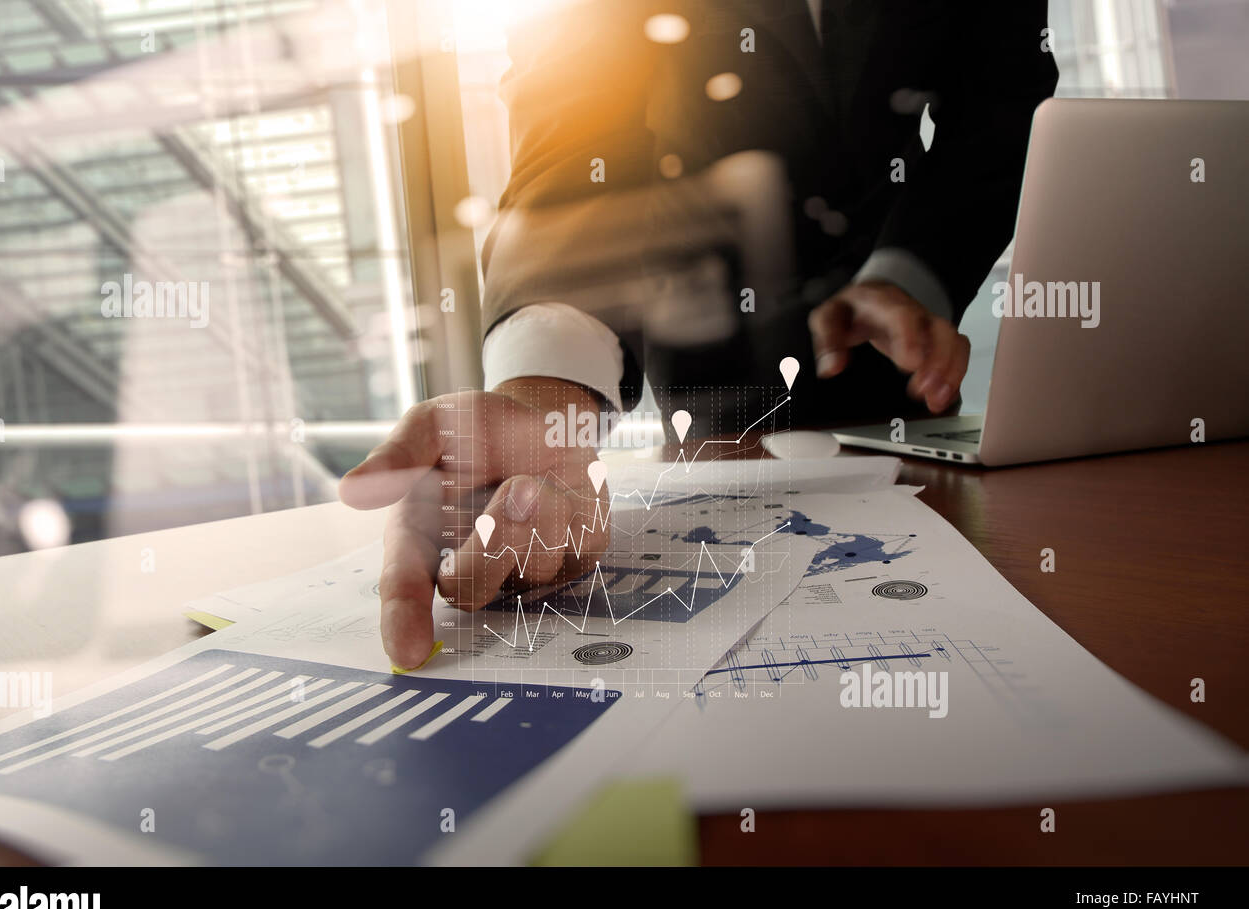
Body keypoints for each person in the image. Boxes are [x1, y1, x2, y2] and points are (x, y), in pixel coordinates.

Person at [340, 0, 1059, 668]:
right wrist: (544, 391)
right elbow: (573, 130)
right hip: (716, 391)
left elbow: (999, 102)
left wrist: (908, 274)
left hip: (899, 369)